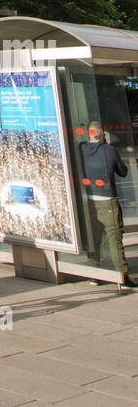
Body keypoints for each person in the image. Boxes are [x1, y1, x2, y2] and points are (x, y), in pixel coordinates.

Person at [80, 121, 136, 287]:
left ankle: (94, 272)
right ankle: (122, 274)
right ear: (103, 134)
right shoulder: (109, 151)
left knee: (94, 237)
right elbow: (123, 171)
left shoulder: (81, 149)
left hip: (88, 199)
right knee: (114, 237)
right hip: (107, 199)